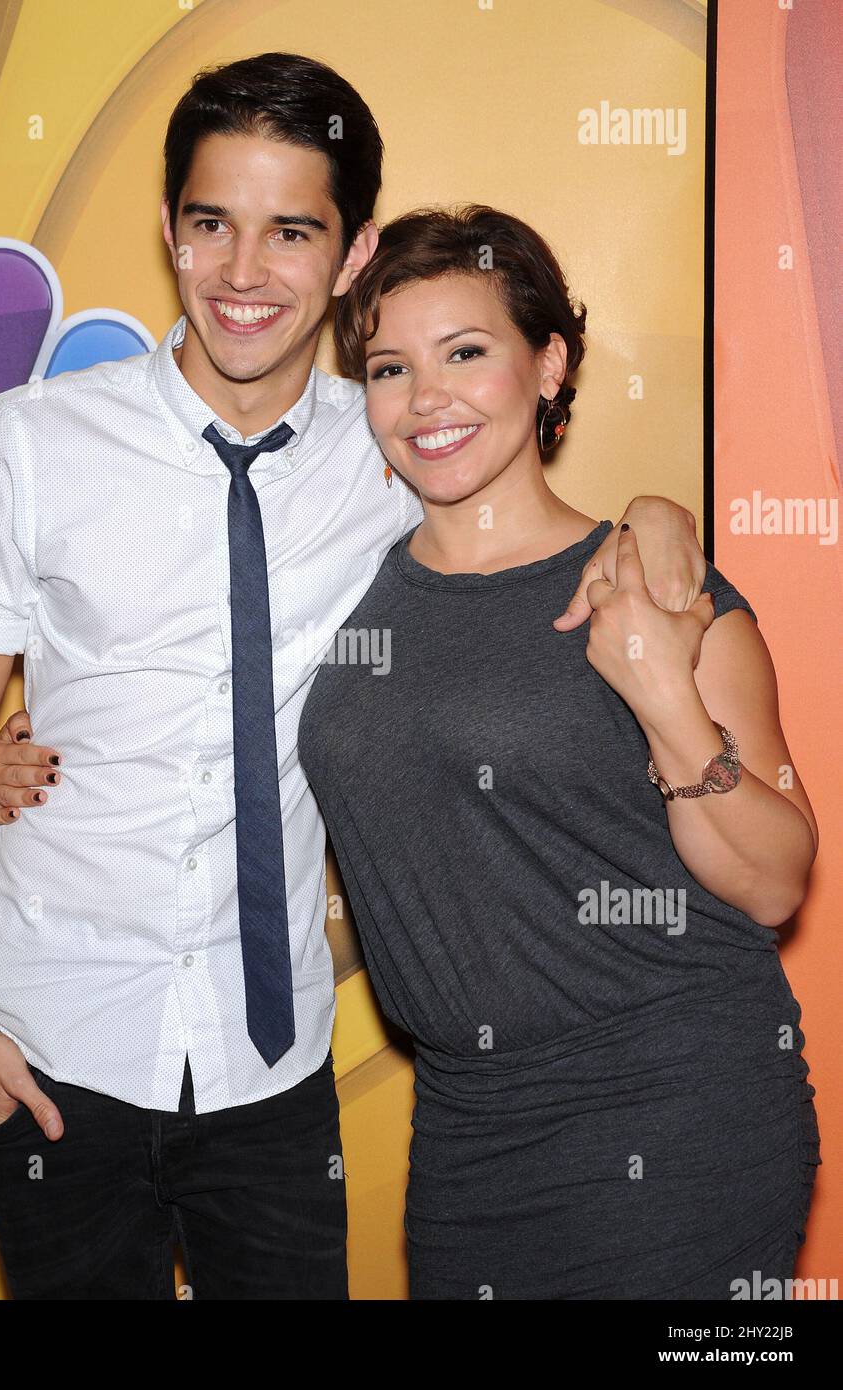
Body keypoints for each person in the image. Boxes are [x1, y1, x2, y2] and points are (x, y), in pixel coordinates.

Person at [0, 54, 707, 1301]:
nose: (241, 273)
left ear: (349, 254)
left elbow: (523, 516)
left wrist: (655, 515)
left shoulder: (393, 445)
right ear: (168, 229)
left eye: (290, 232)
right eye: (212, 223)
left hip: (269, 1069)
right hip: (48, 1045)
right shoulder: (30, 449)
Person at [293, 205, 822, 1299]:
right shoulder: (348, 580)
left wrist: (665, 694)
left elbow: (774, 877)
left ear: (549, 363)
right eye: (391, 367)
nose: (426, 398)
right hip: (468, 1126)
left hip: (673, 1101)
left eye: (467, 353)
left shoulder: (655, 584)